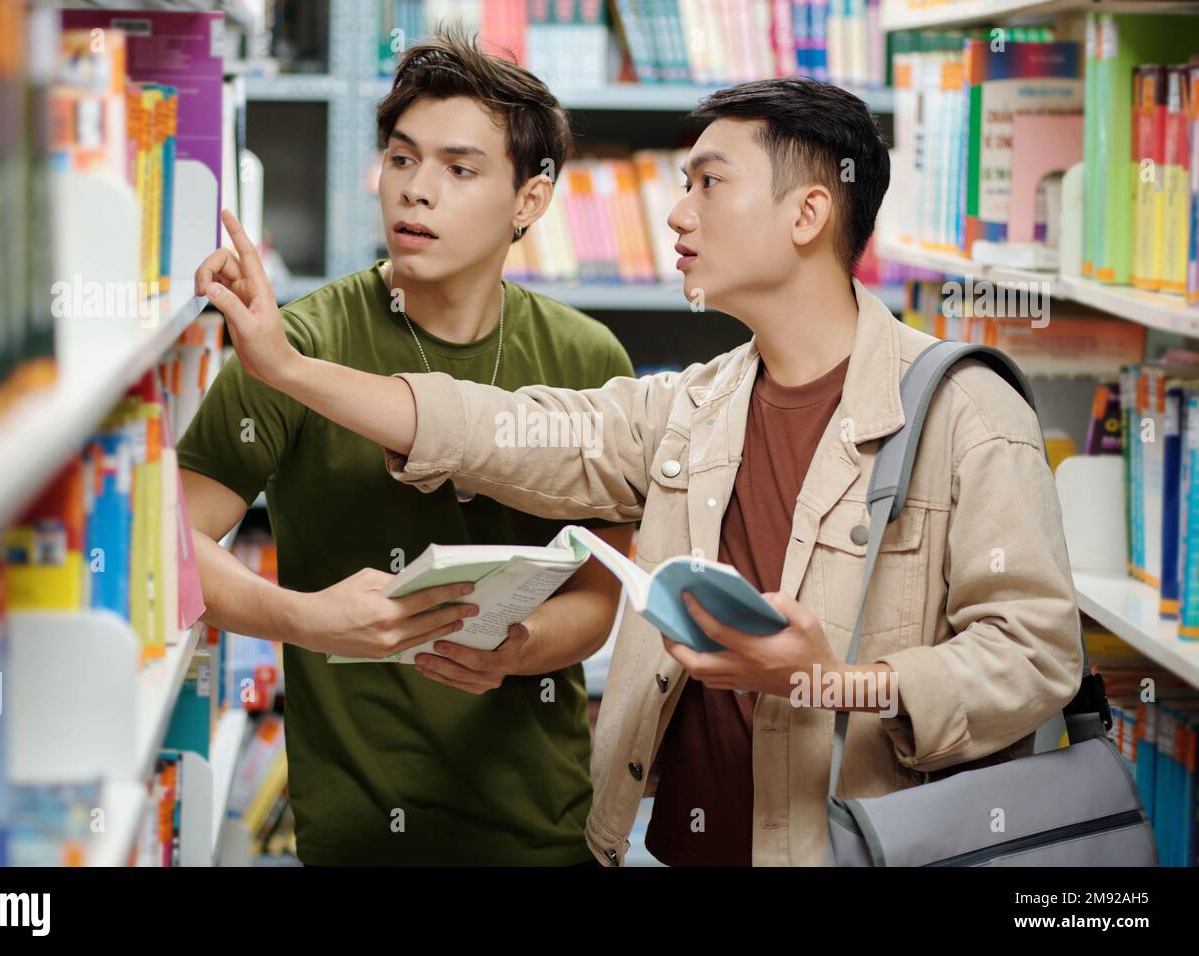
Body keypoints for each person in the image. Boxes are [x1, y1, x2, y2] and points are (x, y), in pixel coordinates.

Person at [201, 77, 1084, 867]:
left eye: (709, 183)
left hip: (855, 848)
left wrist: (838, 682)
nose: (677, 213)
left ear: (808, 214)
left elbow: (1036, 655)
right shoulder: (694, 407)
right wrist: (285, 368)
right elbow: (503, 428)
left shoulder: (968, 414)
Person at [179, 33, 634, 866]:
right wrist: (308, 620)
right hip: (357, 829)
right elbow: (166, 548)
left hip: (545, 824)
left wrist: (519, 649)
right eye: (401, 158)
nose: (416, 191)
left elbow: (605, 592)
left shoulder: (588, 360)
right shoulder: (296, 347)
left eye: (460, 170)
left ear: (529, 201)